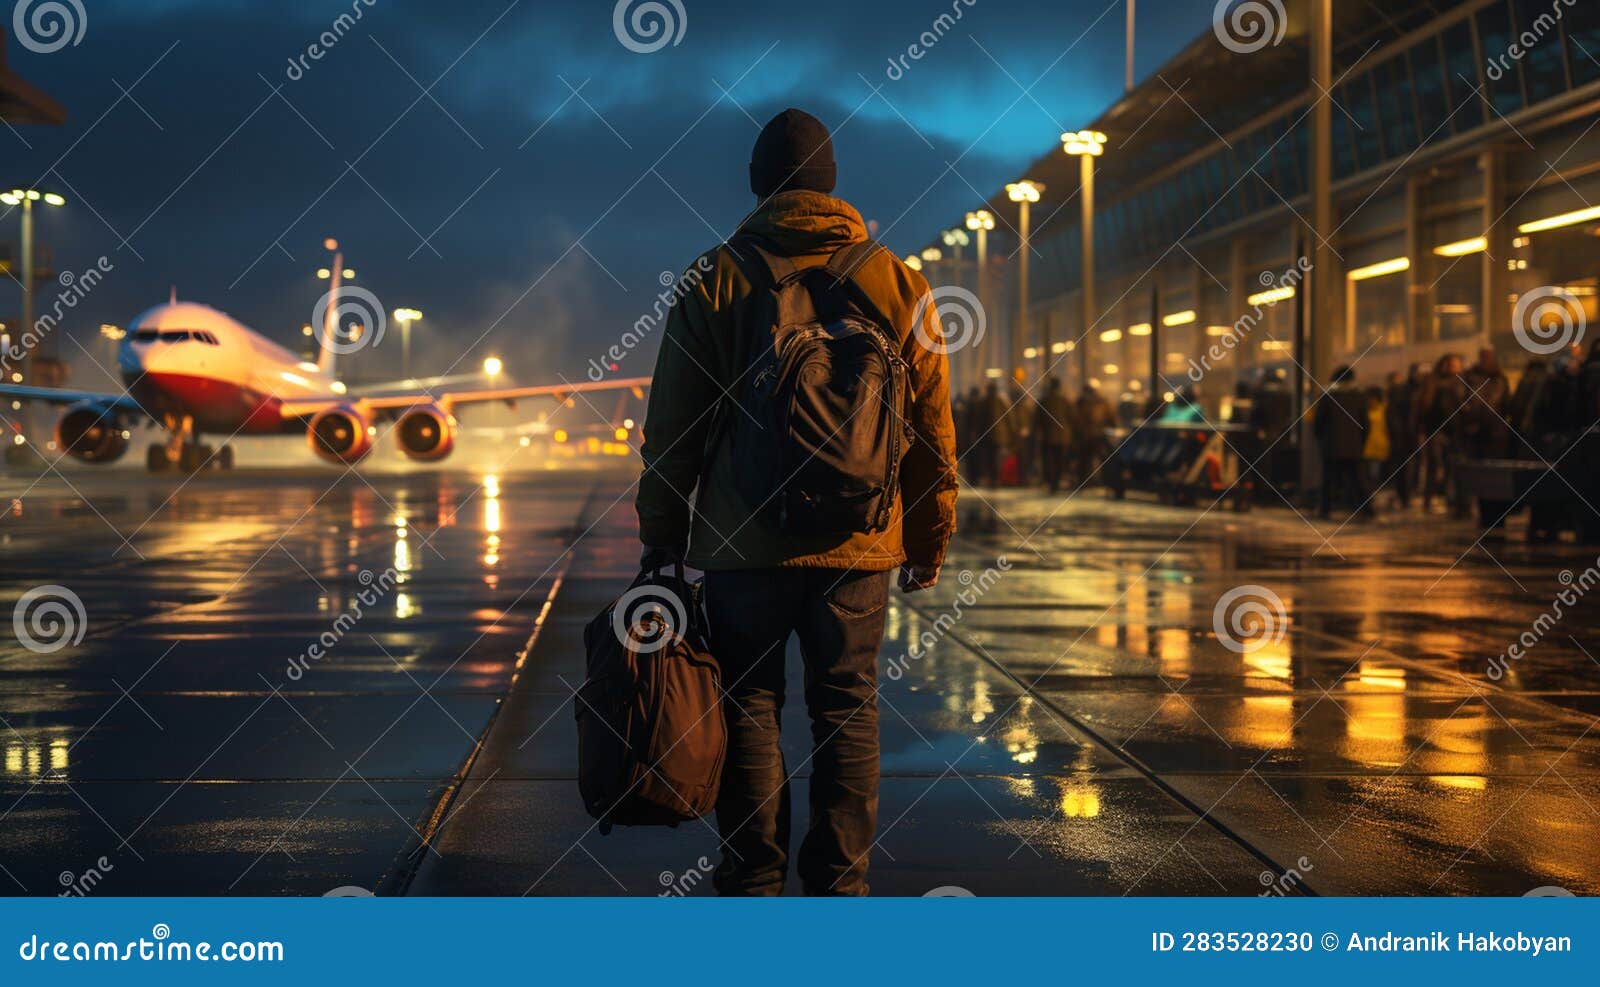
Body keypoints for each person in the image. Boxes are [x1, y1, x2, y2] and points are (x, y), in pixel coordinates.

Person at [635, 108, 959, 896]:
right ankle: (839, 891)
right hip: (859, 540)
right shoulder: (897, 278)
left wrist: (661, 539)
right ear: (832, 186)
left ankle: (752, 883)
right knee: (847, 708)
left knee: (747, 701)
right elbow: (931, 428)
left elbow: (673, 427)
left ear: (757, 186)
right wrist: (928, 536)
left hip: (744, 543)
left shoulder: (715, 276)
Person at [1313, 365, 1372, 519]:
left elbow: (1318, 423)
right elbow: (1365, 424)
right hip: (1354, 447)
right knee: (1359, 480)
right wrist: (1361, 442)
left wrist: (1321, 441)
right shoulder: (1358, 397)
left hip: (1331, 446)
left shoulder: (1327, 397)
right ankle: (1367, 510)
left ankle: (1324, 510)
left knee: (1328, 480)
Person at [1419, 353, 1466, 513]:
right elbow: (1425, 407)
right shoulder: (1434, 382)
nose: (1454, 368)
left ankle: (1452, 500)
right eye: (1451, 364)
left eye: (1456, 364)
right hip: (1437, 430)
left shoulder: (1463, 382)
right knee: (1435, 467)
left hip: (1455, 431)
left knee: (1453, 468)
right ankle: (1429, 500)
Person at [1034, 376, 1074, 493]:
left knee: (1049, 460)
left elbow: (1037, 421)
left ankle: (1051, 482)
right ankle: (1055, 482)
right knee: (1059, 461)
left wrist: (1036, 434)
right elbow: (1071, 418)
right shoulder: (1064, 401)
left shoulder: (1043, 401)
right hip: (1062, 438)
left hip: (1047, 437)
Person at [1383, 369, 1416, 509]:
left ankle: (1404, 497)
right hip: (1403, 439)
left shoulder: (1392, 403)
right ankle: (1405, 497)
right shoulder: (1400, 399)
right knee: (1404, 469)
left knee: (1401, 469)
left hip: (1400, 440)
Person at [1075, 383, 1112, 485]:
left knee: (1085, 460)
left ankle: (1086, 481)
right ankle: (1101, 480)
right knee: (1098, 459)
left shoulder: (1081, 403)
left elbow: (1077, 420)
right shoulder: (1101, 402)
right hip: (1097, 435)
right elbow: (1110, 418)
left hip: (1088, 436)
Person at [1362, 385, 1390, 506]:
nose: (1370, 401)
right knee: (1367, 476)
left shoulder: (1384, 410)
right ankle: (1368, 499)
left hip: (1379, 447)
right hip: (1365, 447)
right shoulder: (1364, 410)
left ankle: (1371, 499)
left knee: (1374, 475)